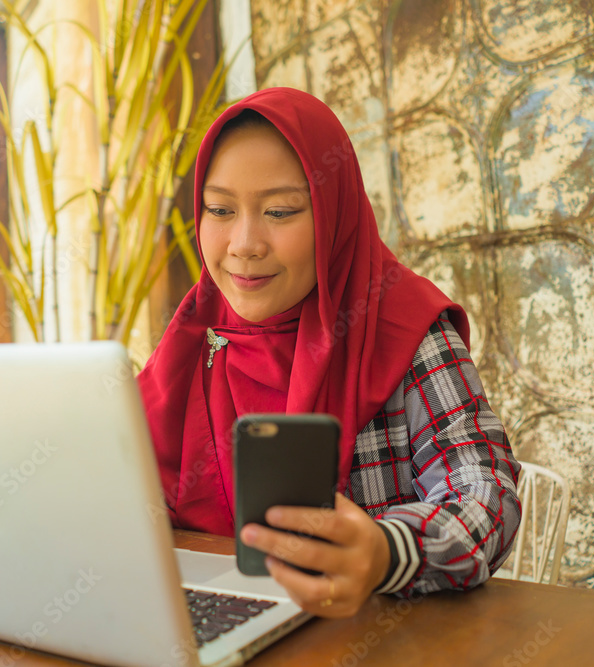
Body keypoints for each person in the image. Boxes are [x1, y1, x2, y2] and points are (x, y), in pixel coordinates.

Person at [138, 86, 521, 619]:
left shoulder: (401, 326)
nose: (244, 243)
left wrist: (388, 553)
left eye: (279, 211)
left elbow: (488, 494)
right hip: (208, 628)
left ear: (332, 213)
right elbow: (131, 496)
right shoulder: (193, 338)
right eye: (220, 209)